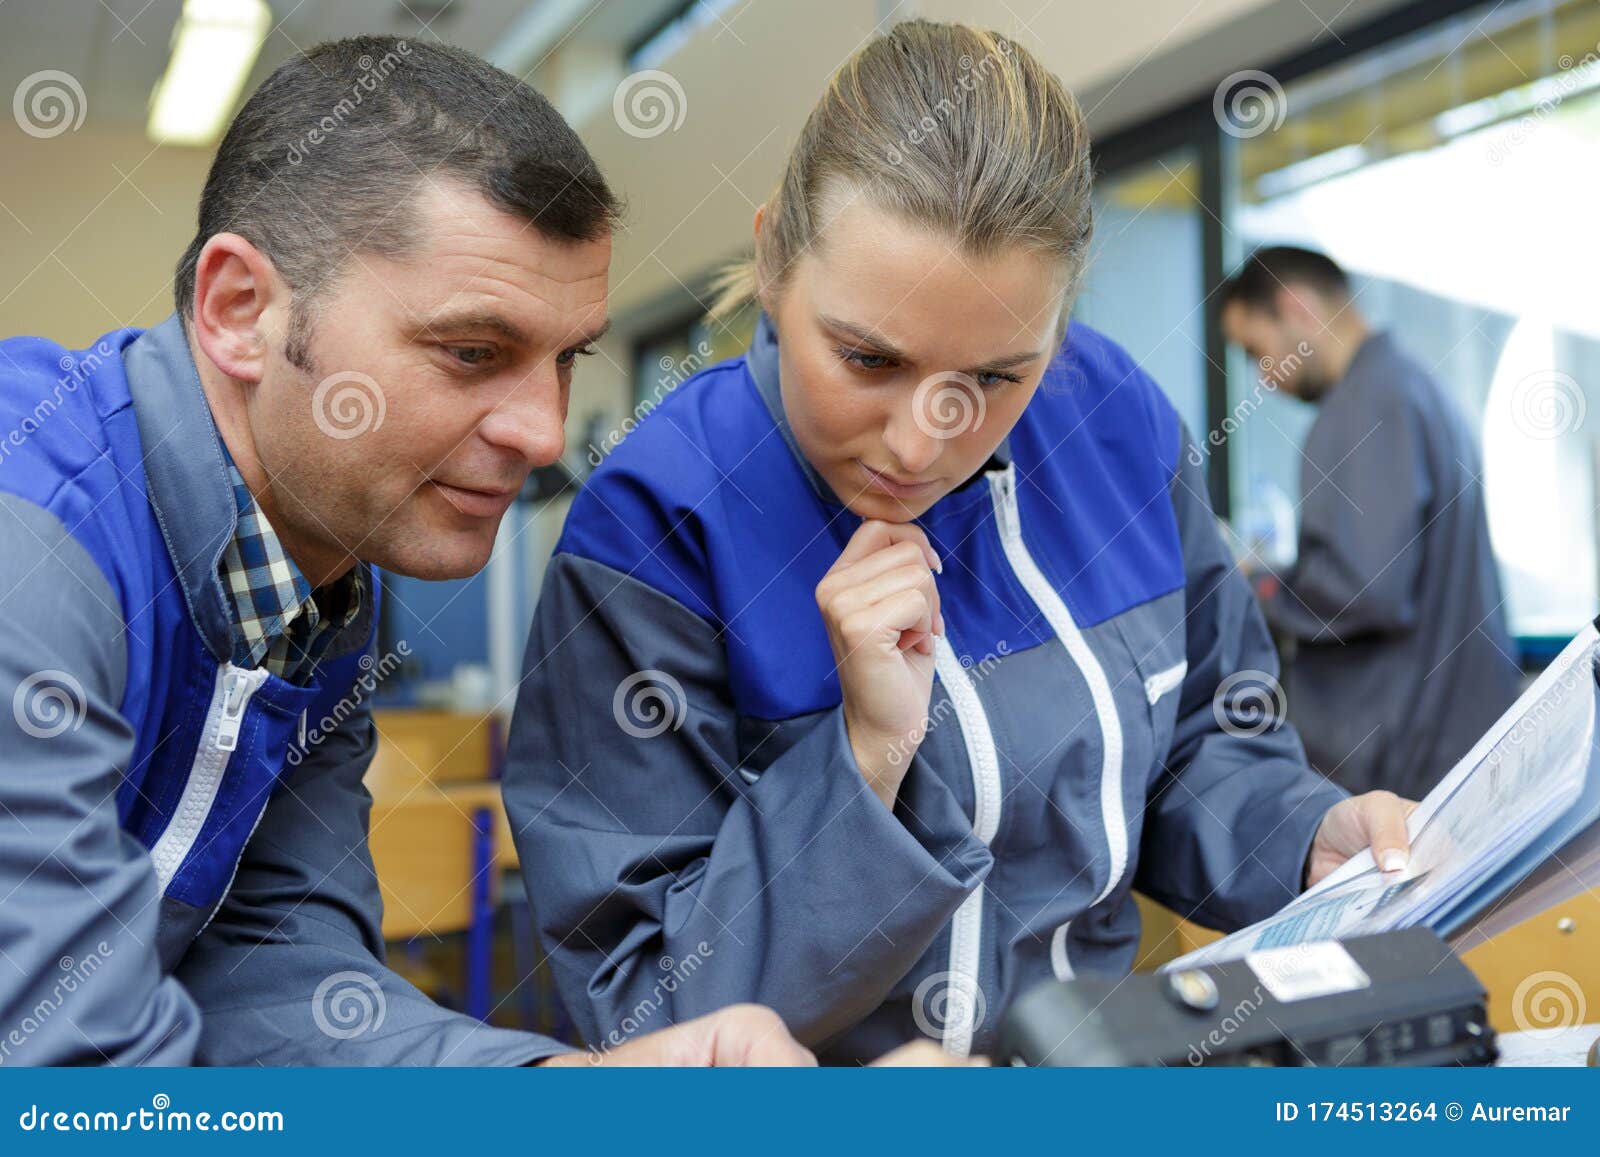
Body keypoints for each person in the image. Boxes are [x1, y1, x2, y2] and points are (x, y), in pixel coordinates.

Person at [504, 20, 1416, 1065]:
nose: (916, 443)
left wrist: (1301, 833)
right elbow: (645, 1005)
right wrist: (863, 760)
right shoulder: (656, 516)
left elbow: (1198, 743)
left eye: (993, 377)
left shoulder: (1114, 417)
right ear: (769, 259)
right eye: (866, 358)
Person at [0, 35, 840, 1068]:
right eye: (473, 353)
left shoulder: (318, 582)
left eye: (564, 358)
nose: (540, 431)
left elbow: (272, 967)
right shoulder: (30, 543)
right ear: (239, 310)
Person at [1220, 246, 1522, 799]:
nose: (1264, 377)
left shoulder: (1364, 404)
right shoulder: (1415, 387)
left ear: (1297, 309)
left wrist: (1257, 586)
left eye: (1254, 350)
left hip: (1402, 765)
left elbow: (1366, 590)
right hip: (1449, 747)